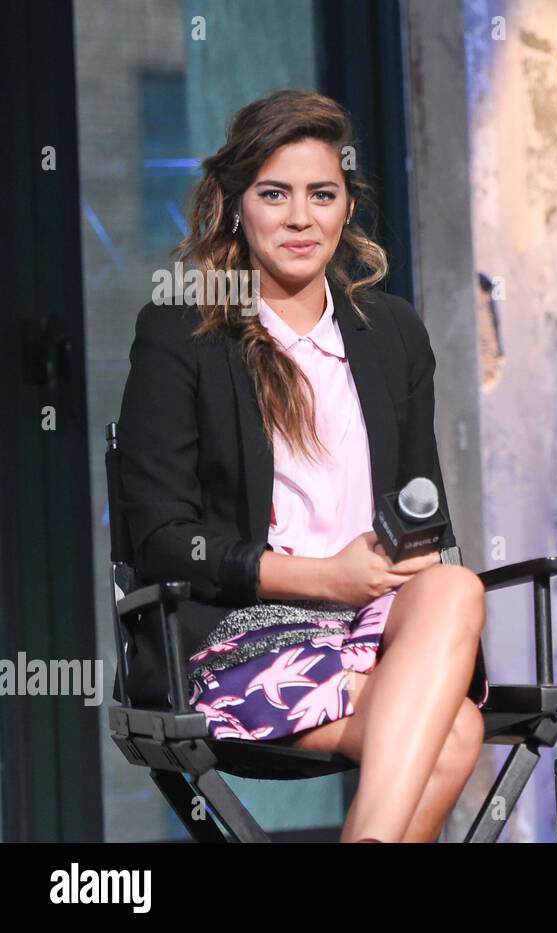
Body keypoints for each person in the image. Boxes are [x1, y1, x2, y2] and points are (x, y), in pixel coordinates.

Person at [117, 89, 486, 843]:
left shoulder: (392, 332)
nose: (299, 218)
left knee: (453, 580)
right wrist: (321, 578)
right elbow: (158, 537)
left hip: (378, 624)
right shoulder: (180, 332)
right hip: (239, 635)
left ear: (346, 208)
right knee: (454, 734)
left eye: (322, 194)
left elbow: (426, 513)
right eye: (274, 195)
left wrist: (393, 570)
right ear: (233, 206)